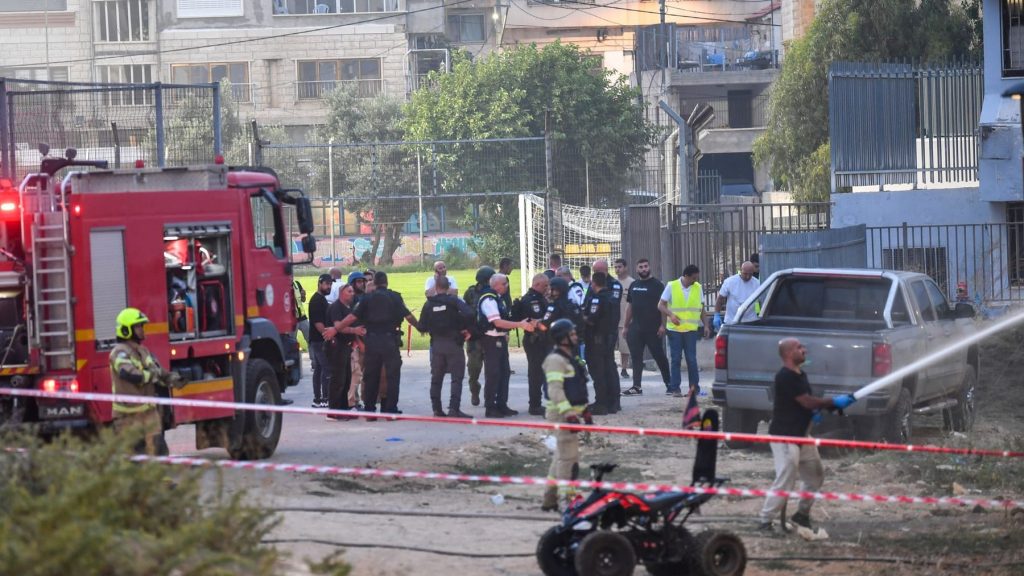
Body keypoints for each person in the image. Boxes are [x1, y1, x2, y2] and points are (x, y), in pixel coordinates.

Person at [758, 338, 856, 532]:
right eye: (799, 348)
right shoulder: (785, 376)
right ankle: (765, 521)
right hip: (785, 437)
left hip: (802, 436)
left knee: (815, 477)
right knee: (786, 478)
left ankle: (801, 515)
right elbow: (807, 401)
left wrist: (816, 412)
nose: (804, 350)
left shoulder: (800, 375)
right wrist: (833, 402)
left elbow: (804, 404)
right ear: (787, 354)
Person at [336, 271, 420, 416]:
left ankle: (370, 410)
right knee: (392, 376)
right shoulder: (395, 297)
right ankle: (390, 409)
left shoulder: (367, 299)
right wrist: (421, 327)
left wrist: (337, 328)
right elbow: (408, 316)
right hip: (390, 340)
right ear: (386, 282)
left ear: (374, 283)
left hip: (372, 341)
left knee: (371, 376)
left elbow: (352, 317)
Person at [109, 307, 184, 455]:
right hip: (128, 419)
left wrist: (173, 379)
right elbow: (128, 374)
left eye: (142, 326)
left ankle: (163, 479)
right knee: (136, 459)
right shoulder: (119, 352)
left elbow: (159, 371)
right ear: (126, 330)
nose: (142, 330)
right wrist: (151, 376)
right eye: (138, 326)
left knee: (161, 452)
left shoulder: (143, 351)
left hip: (149, 415)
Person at [541, 319, 592, 512]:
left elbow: (576, 388)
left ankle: (550, 499)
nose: (575, 337)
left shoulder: (570, 358)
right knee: (568, 460)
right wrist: (569, 413)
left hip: (571, 415)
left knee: (561, 458)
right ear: (562, 338)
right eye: (571, 334)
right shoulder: (555, 360)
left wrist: (585, 410)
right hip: (560, 416)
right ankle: (567, 500)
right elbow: (555, 391)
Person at [477, 272, 535, 418]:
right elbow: (497, 322)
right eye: (504, 284)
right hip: (491, 340)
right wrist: (520, 325)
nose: (506, 286)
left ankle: (502, 405)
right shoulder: (489, 299)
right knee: (493, 374)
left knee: (504, 373)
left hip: (500, 339)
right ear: (495, 285)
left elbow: (505, 319)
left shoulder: (499, 299)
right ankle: (490, 407)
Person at [419, 276, 474, 418]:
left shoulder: (428, 304)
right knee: (456, 377)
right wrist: (463, 327)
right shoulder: (454, 301)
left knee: (436, 378)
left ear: (435, 287)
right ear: (448, 287)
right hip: (454, 343)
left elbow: (422, 326)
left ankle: (437, 409)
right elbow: (470, 313)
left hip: (437, 344)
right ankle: (454, 409)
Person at [657, 265, 711, 397]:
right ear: (686, 276)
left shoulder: (697, 288)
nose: (695, 280)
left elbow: (701, 309)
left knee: (691, 360)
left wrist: (706, 325)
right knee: (675, 359)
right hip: (675, 329)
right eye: (693, 277)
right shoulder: (672, 286)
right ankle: (675, 388)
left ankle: (694, 389)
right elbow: (660, 305)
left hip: (691, 330)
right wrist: (671, 315)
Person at [621, 259, 671, 396]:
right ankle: (636, 386)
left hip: (653, 329)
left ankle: (669, 384)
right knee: (636, 358)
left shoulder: (658, 285)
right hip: (636, 328)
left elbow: (664, 307)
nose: (644, 269)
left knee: (659, 356)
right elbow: (629, 307)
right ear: (637, 270)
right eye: (641, 267)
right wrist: (625, 326)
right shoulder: (634, 285)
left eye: (646, 266)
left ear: (649, 268)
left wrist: (663, 325)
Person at [513, 273, 551, 416]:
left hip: (543, 340)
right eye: (545, 285)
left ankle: (537, 403)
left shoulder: (541, 298)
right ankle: (534, 405)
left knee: (541, 373)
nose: (547, 288)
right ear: (537, 285)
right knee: (535, 374)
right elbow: (537, 320)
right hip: (534, 340)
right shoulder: (531, 300)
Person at [326, 283, 365, 418]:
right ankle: (333, 412)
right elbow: (338, 327)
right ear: (341, 293)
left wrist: (357, 341)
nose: (352, 293)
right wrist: (355, 330)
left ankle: (344, 409)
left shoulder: (348, 308)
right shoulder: (336, 307)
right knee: (338, 379)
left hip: (346, 347)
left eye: (352, 291)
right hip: (336, 346)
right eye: (349, 291)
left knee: (346, 379)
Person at [590, 259, 622, 412]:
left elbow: (607, 309)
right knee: (604, 367)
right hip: (600, 333)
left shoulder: (614, 285)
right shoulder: (595, 285)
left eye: (597, 271)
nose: (595, 273)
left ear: (604, 270)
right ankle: (606, 400)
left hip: (606, 333)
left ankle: (612, 401)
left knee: (607, 367)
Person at [582, 272, 615, 415]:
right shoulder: (611, 297)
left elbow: (592, 319)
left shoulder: (597, 299)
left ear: (593, 283)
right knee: (608, 371)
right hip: (608, 339)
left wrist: (581, 316)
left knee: (598, 372)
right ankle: (611, 402)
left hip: (596, 340)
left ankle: (601, 404)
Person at [463, 266, 495, 406]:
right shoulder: (470, 293)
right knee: (473, 369)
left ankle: (490, 397)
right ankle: (474, 391)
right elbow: (463, 312)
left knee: (492, 370)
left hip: (489, 336)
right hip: (474, 338)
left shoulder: (493, 293)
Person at [308, 274, 336, 408]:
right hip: (319, 341)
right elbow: (318, 324)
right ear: (320, 284)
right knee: (327, 368)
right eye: (326, 284)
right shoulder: (316, 301)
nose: (329, 286)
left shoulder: (321, 299)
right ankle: (325, 398)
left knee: (319, 369)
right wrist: (329, 336)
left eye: (330, 284)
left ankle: (317, 399)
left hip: (318, 340)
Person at [715, 261, 760, 330]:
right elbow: (720, 298)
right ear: (741, 271)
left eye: (750, 274)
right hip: (732, 321)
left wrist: (759, 313)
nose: (747, 277)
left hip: (750, 321)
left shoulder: (757, 283)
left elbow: (760, 300)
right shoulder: (730, 282)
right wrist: (717, 315)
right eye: (745, 274)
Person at [346, 271, 368, 410]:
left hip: (368, 339)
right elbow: (351, 324)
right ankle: (353, 401)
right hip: (356, 341)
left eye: (362, 281)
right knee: (355, 374)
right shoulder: (350, 301)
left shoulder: (366, 298)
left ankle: (365, 400)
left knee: (366, 374)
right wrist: (357, 340)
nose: (361, 284)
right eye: (358, 282)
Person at [613, 258, 634, 379]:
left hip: (624, 320)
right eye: (615, 267)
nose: (617, 269)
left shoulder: (631, 282)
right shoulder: (612, 282)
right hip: (612, 320)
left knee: (624, 347)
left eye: (619, 267)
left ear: (625, 267)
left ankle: (624, 368)